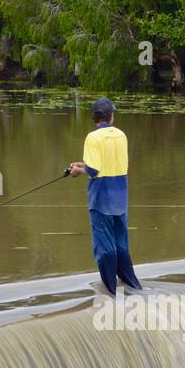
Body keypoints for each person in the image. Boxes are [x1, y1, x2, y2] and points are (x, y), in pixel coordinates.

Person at [68, 97, 143, 294]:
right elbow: (107, 163)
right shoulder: (121, 135)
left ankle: (110, 291)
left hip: (101, 198)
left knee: (105, 248)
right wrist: (81, 164)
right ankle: (133, 286)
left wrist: (76, 171)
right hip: (120, 197)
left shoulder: (92, 138)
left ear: (95, 118)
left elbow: (93, 170)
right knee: (121, 246)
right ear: (111, 116)